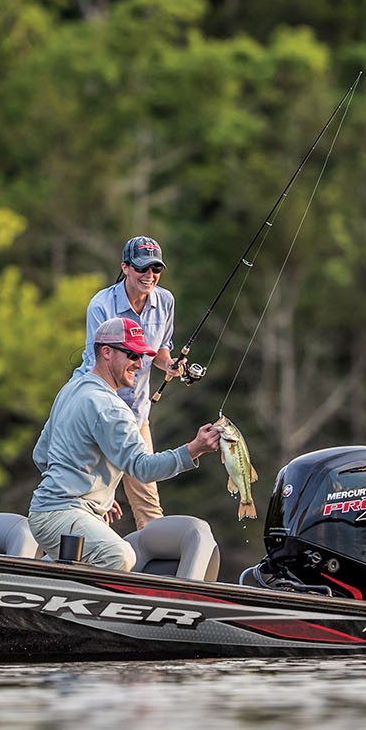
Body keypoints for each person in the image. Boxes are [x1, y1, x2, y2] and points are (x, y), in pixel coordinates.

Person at [28, 316, 222, 570]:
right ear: (106, 352)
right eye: (131, 355)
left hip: (44, 513)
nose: (139, 364)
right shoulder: (110, 407)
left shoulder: (72, 389)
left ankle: (47, 587)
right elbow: (142, 468)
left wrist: (96, 493)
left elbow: (41, 455)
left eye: (141, 356)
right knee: (120, 557)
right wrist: (194, 449)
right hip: (61, 516)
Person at [74, 235, 204, 528]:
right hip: (98, 412)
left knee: (148, 504)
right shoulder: (101, 305)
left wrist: (170, 365)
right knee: (89, 502)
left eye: (156, 269)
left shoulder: (166, 301)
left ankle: (156, 570)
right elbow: (100, 363)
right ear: (125, 267)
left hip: (137, 413)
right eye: (142, 268)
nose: (150, 276)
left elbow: (160, 350)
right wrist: (114, 422)